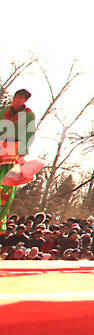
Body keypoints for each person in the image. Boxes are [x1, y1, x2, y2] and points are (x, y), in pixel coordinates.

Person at [0, 89, 38, 230]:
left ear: (25, 100)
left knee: (6, 184)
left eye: (21, 98)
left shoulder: (28, 115)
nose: (17, 99)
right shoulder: (4, 111)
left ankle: (1, 217)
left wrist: (22, 153)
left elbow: (29, 133)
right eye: (16, 96)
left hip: (12, 151)